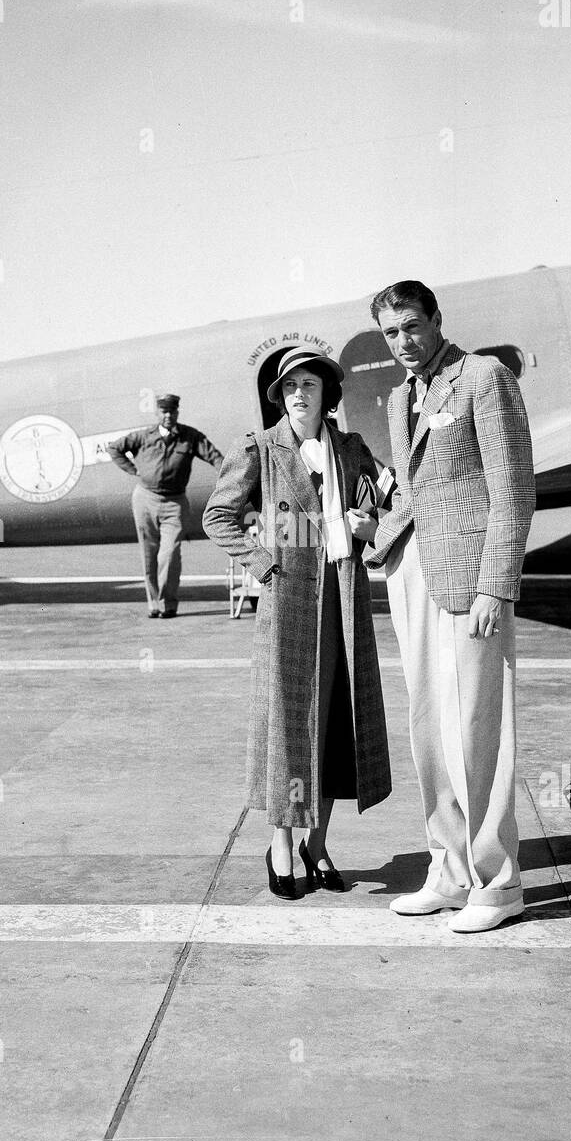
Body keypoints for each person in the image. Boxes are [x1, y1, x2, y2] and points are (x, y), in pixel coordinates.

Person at [364, 282, 535, 933]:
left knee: (475, 727)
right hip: (412, 571)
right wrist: (374, 537)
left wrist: (497, 583)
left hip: (469, 577)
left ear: (436, 320)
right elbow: (415, 492)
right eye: (390, 333)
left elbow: (513, 491)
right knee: (429, 728)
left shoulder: (483, 377)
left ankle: (497, 882)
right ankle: (448, 868)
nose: (403, 342)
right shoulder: (397, 396)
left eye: (412, 327)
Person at [203, 347, 391, 898]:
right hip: (289, 603)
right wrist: (264, 564)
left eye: (310, 384)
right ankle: (281, 844)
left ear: (327, 392)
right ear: (279, 398)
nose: (300, 394)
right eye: (289, 387)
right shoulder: (260, 450)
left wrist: (368, 523)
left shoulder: (351, 449)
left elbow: (392, 494)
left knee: (336, 723)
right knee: (288, 725)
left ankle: (319, 842)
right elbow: (219, 515)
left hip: (343, 597)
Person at [107, 393, 223, 618]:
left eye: (172, 411)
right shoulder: (143, 436)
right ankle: (154, 604)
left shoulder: (190, 437)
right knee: (148, 553)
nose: (168, 415)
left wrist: (231, 476)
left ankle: (168, 603)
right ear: (157, 413)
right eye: (164, 411)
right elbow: (115, 449)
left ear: (177, 412)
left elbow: (216, 458)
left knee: (169, 554)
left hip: (174, 502)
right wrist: (134, 470)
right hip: (145, 499)